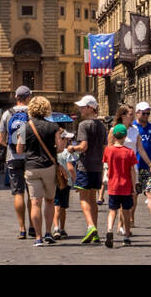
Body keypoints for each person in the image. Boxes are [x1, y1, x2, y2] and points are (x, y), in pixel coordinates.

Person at [16, 95, 61, 247]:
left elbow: (19, 150)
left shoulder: (24, 127)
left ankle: (38, 237)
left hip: (31, 168)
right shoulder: (53, 127)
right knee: (49, 200)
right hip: (48, 167)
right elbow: (59, 148)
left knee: (35, 203)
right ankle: (48, 232)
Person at [0, 85, 35, 240]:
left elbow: (1, 138)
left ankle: (22, 229)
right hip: (31, 157)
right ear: (28, 98)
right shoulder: (33, 113)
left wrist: (11, 147)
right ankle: (33, 226)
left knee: (18, 193)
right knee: (32, 194)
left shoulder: (8, 113)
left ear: (16, 97)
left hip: (13, 157)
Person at [68, 94, 105, 245]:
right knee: (93, 199)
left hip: (85, 166)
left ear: (90, 108)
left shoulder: (83, 125)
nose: (80, 109)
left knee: (83, 198)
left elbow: (83, 147)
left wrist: (72, 148)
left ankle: (90, 226)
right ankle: (95, 232)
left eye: (83, 107)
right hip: (98, 166)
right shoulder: (102, 126)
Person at [102, 123, 138, 248]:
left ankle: (109, 230)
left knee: (112, 210)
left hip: (113, 186)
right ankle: (126, 237)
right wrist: (134, 187)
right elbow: (132, 172)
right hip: (126, 186)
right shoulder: (129, 152)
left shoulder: (108, 150)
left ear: (113, 136)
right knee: (126, 212)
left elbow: (106, 166)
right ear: (125, 136)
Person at [52, 131, 76, 239]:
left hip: (54, 182)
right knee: (62, 207)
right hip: (66, 182)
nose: (68, 141)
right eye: (66, 139)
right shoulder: (66, 152)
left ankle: (56, 227)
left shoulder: (52, 152)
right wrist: (75, 180)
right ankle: (61, 228)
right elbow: (70, 168)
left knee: (56, 205)